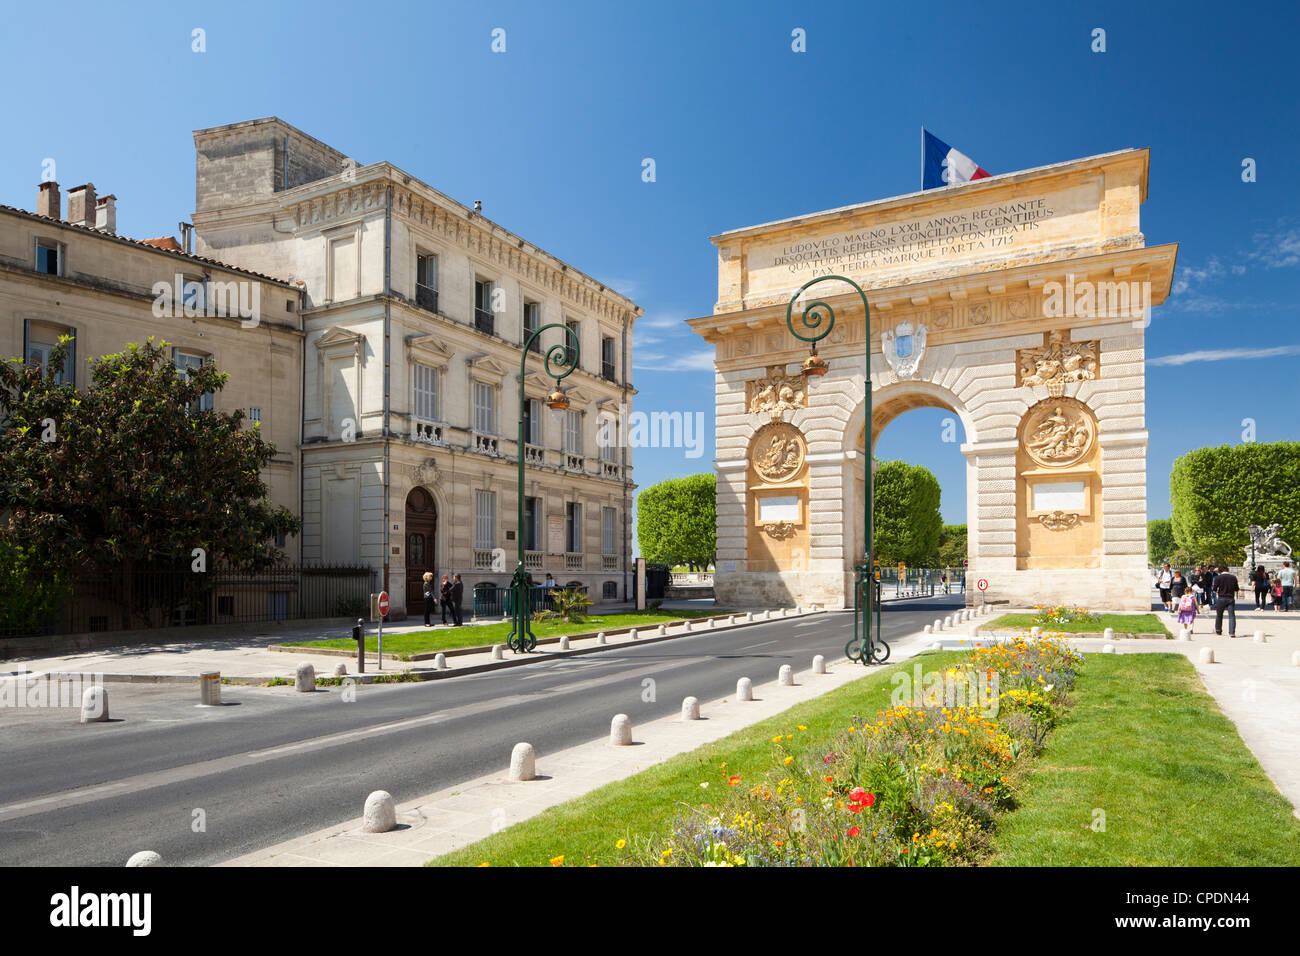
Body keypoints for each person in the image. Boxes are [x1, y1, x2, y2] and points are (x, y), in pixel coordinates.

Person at [1212, 565, 1238, 638]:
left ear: (1220, 571)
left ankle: (1218, 630)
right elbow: (1236, 588)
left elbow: (1214, 589)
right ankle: (1232, 632)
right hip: (1230, 598)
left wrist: (1217, 592)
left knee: (1219, 615)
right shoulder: (1233, 577)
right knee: (1231, 616)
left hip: (1221, 598)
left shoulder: (1218, 578)